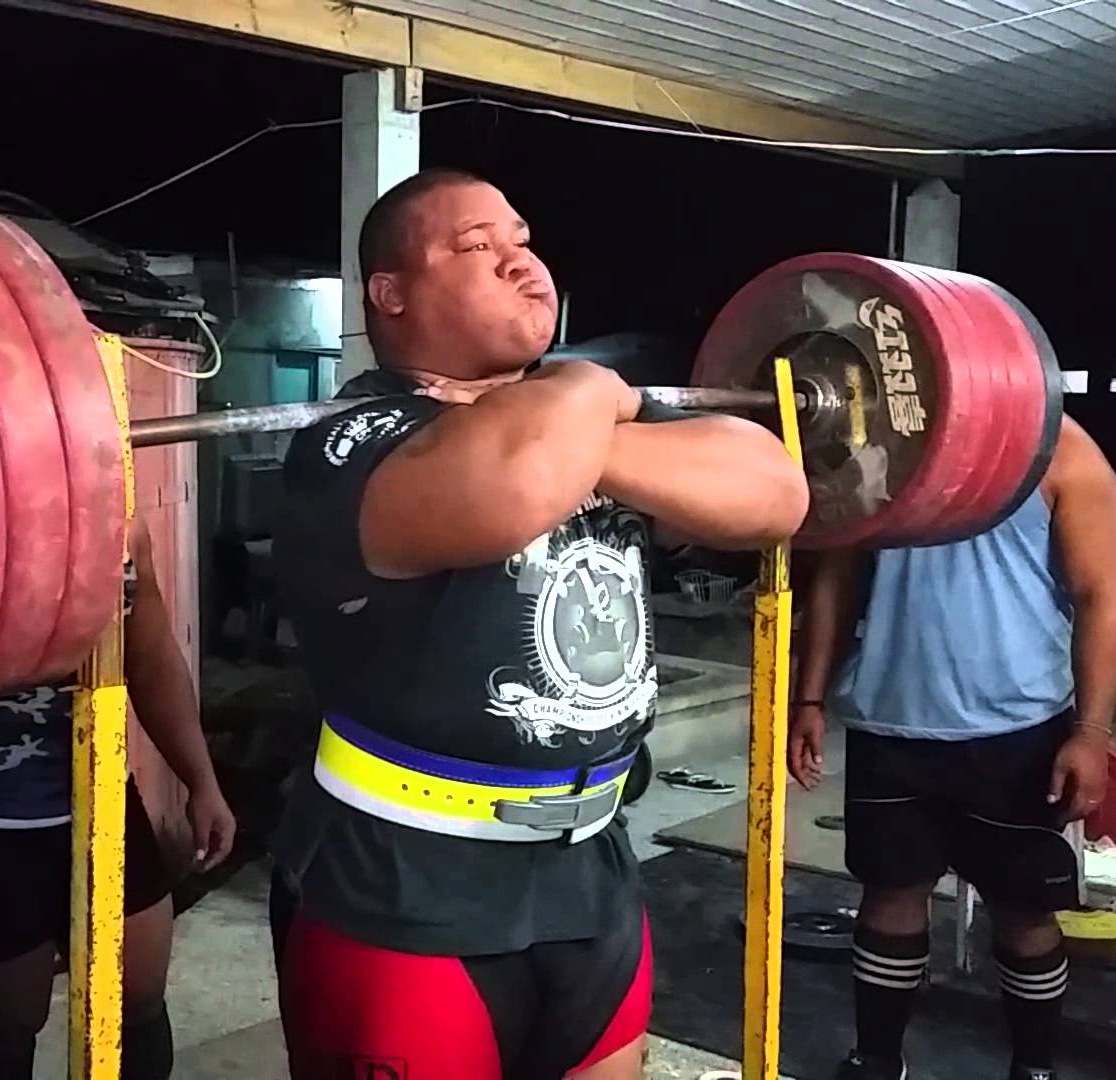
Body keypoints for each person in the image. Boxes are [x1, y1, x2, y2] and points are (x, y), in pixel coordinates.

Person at [269, 168, 811, 1080]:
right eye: (477, 247)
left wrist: (580, 426)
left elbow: (774, 492)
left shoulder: (571, 420)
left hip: (591, 866)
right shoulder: (349, 440)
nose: (521, 264)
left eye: (522, 241)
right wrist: (594, 389)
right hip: (406, 877)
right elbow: (511, 484)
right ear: (390, 294)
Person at [789, 417, 1116, 1080]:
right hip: (890, 721)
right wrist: (809, 698)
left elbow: (1103, 600)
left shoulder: (1063, 451)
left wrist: (1092, 734)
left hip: (1019, 731)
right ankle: (877, 1060)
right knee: (890, 894)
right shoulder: (881, 438)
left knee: (1025, 911)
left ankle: (1034, 1067)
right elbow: (838, 572)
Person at [0, 516, 236, 1080]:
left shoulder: (121, 526)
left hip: (105, 800)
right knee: (0, 1030)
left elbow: (151, 659)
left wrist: (201, 780)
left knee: (138, 1000)